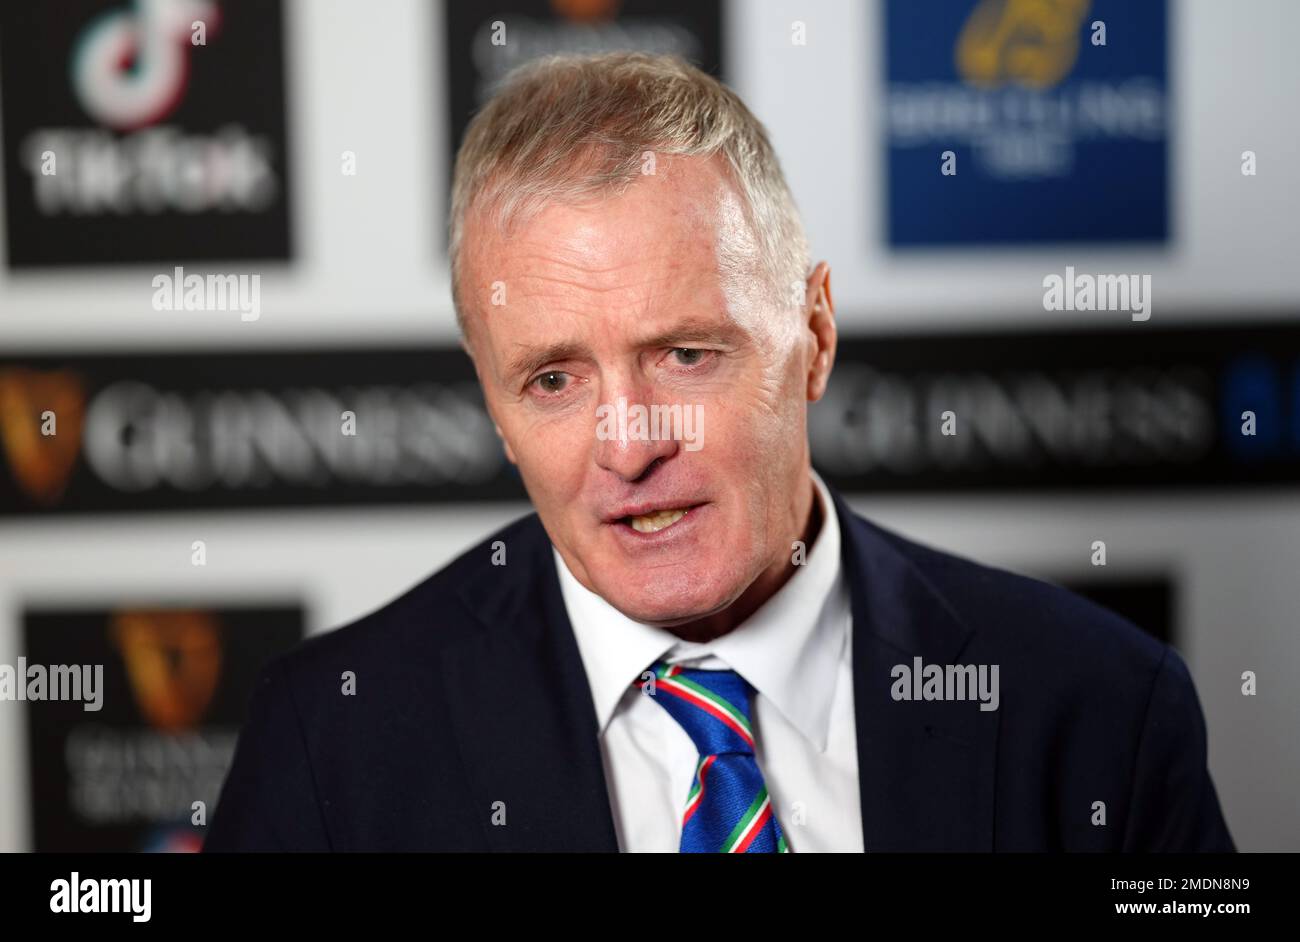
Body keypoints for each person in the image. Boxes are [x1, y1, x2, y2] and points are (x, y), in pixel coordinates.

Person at [204, 52, 1233, 853]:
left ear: (814, 336)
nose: (631, 444)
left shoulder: (1097, 706)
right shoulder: (331, 742)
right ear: (496, 408)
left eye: (685, 354)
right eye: (554, 380)